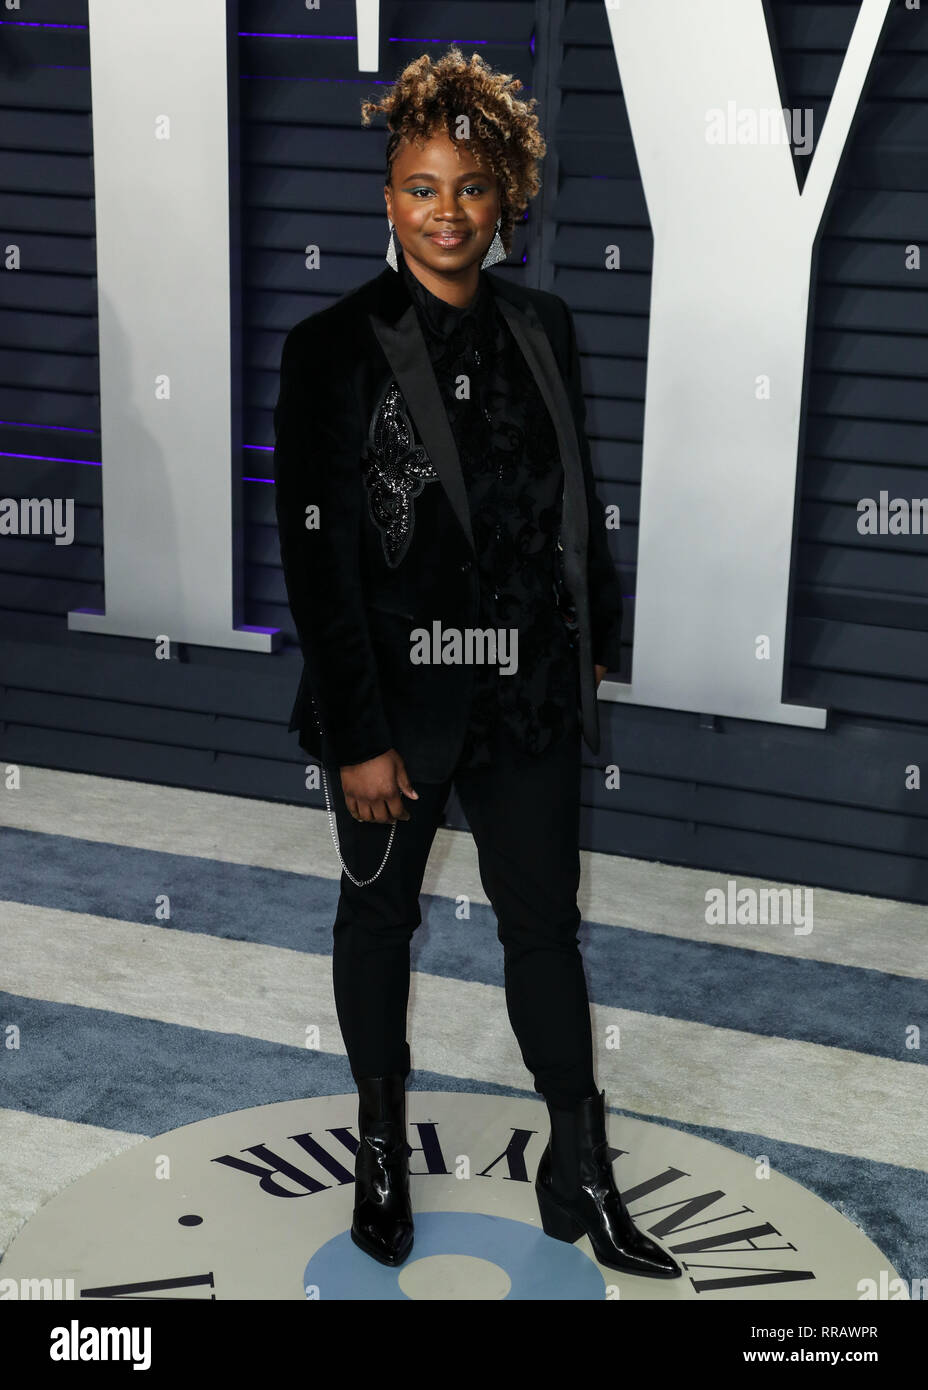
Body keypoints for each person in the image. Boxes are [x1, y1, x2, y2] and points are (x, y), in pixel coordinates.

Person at [272, 47, 680, 1280]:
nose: (444, 212)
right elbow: (320, 565)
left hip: (530, 701)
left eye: (469, 187)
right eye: (418, 186)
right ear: (386, 200)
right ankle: (382, 1152)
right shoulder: (332, 348)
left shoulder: (545, 324)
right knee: (378, 918)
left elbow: (575, 510)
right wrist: (356, 735)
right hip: (394, 707)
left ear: (506, 197)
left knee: (545, 930)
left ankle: (581, 1166)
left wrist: (580, 664)